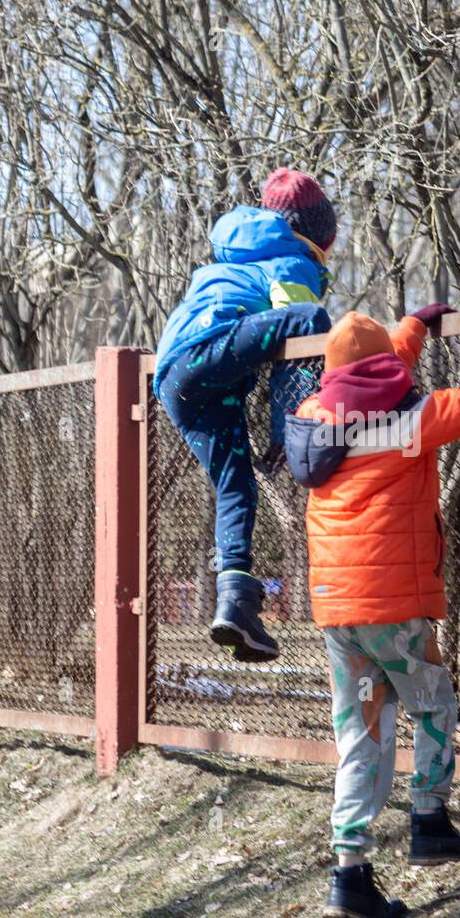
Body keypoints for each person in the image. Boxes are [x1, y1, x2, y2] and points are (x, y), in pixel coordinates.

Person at [284, 291, 460, 918]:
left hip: (338, 612)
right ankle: (430, 820)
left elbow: (365, 378)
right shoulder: (409, 422)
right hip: (397, 606)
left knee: (361, 733)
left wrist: (409, 330)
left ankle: (350, 873)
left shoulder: (310, 418)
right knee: (433, 703)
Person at [155, 168, 336, 661]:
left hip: (177, 379)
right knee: (314, 320)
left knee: (235, 485)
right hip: (206, 354)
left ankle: (236, 604)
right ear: (320, 234)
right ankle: (297, 427)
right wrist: (289, 427)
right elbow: (303, 335)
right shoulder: (292, 259)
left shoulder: (231, 259)